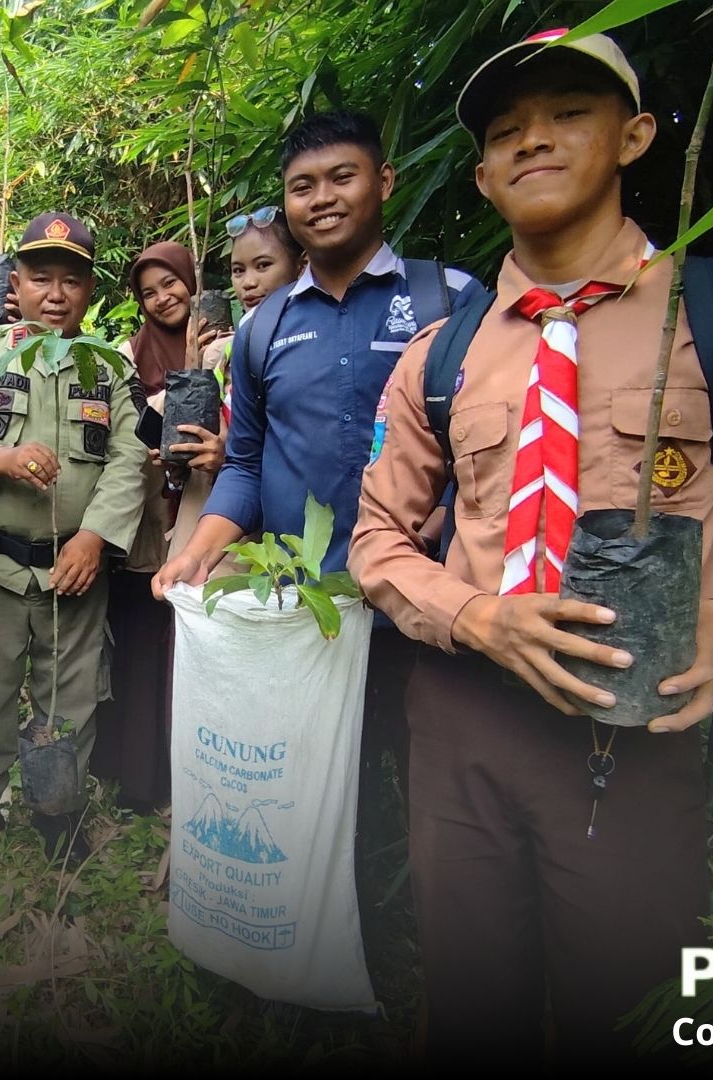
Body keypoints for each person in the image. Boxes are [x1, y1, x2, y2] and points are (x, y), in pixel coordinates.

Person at [348, 30, 713, 1060]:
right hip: (463, 721)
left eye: (568, 113)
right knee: (470, 997)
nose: (533, 140)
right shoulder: (439, 357)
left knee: (628, 1001)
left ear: (635, 136)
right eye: (507, 131)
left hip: (637, 729)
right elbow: (379, 536)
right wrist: (477, 616)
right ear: (482, 177)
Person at [152, 111, 482, 806]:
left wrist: (439, 522)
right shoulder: (263, 326)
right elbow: (246, 462)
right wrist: (200, 551)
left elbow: (485, 457)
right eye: (303, 186)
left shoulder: (451, 299)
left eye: (342, 177)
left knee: (429, 790)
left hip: (429, 600)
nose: (322, 198)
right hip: (307, 608)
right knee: (312, 791)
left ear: (383, 181)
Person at [0, 212, 146, 873]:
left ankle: (57, 811)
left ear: (89, 290)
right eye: (41, 278)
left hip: (75, 569)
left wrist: (95, 537)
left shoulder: (107, 367)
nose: (56, 294)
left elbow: (130, 456)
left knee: (71, 698)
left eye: (71, 281)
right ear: (16, 284)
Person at [92, 240, 226, 813]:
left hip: (208, 521)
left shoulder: (230, 345)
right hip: (145, 525)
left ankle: (191, 779)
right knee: (142, 648)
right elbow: (125, 434)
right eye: (148, 292)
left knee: (193, 649)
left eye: (171, 283)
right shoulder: (128, 354)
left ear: (193, 281)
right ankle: (136, 777)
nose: (162, 298)